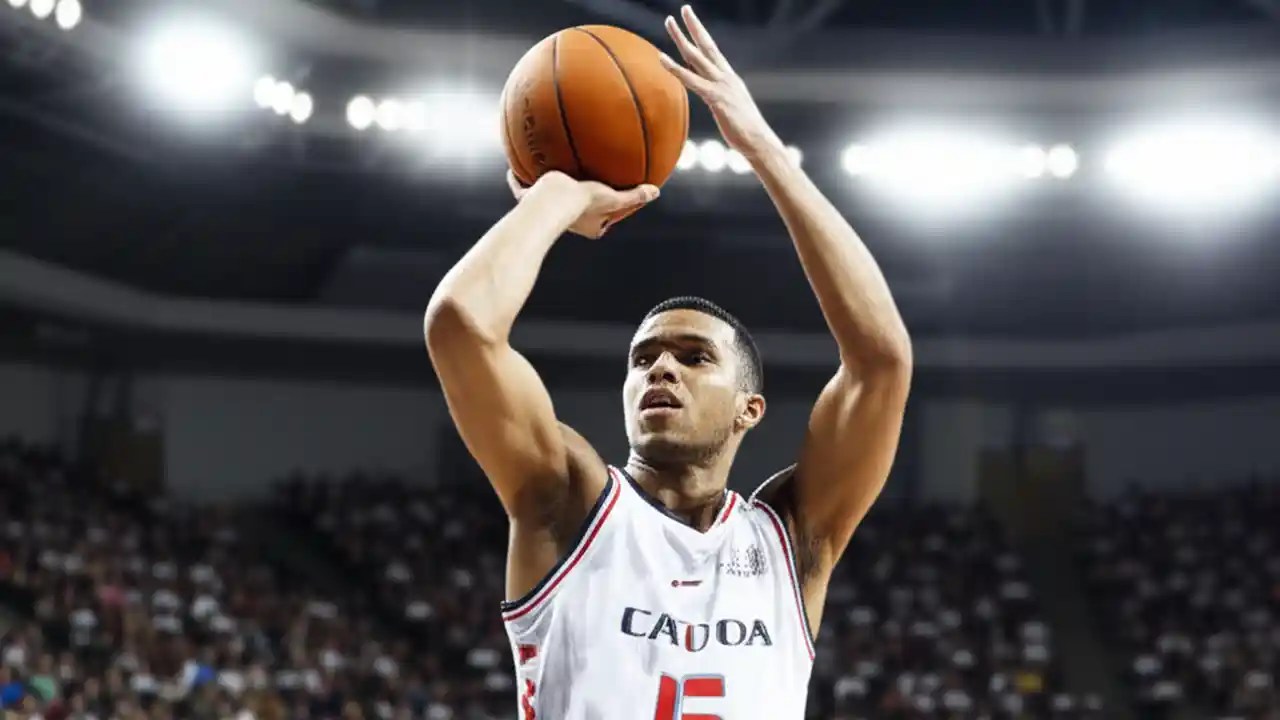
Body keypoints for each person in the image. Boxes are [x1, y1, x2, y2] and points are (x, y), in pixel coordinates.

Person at [424, 5, 912, 718]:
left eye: (693, 357)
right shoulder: (568, 503)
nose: (660, 370)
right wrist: (559, 195)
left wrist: (765, 151)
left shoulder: (792, 539)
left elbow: (882, 361)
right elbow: (460, 325)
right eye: (643, 357)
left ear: (750, 408)